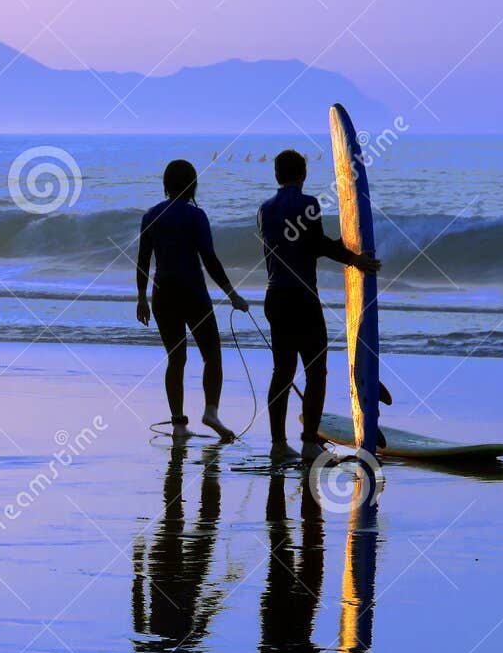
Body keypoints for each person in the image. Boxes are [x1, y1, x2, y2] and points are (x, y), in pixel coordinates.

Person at [256, 149, 380, 462]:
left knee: (282, 371)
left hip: (275, 297)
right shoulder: (308, 203)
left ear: (276, 175)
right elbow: (316, 244)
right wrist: (355, 258)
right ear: (303, 174)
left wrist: (342, 247)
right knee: (316, 371)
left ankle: (278, 445)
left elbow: (299, 244)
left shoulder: (264, 210)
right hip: (303, 297)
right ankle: (310, 443)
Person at [136, 159, 249, 440]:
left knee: (176, 359)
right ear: (192, 185)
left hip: (162, 294)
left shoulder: (151, 216)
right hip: (193, 294)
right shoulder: (196, 216)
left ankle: (178, 424)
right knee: (212, 355)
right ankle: (211, 411)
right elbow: (209, 259)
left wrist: (141, 298)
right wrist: (232, 294)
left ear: (166, 185)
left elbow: (142, 262)